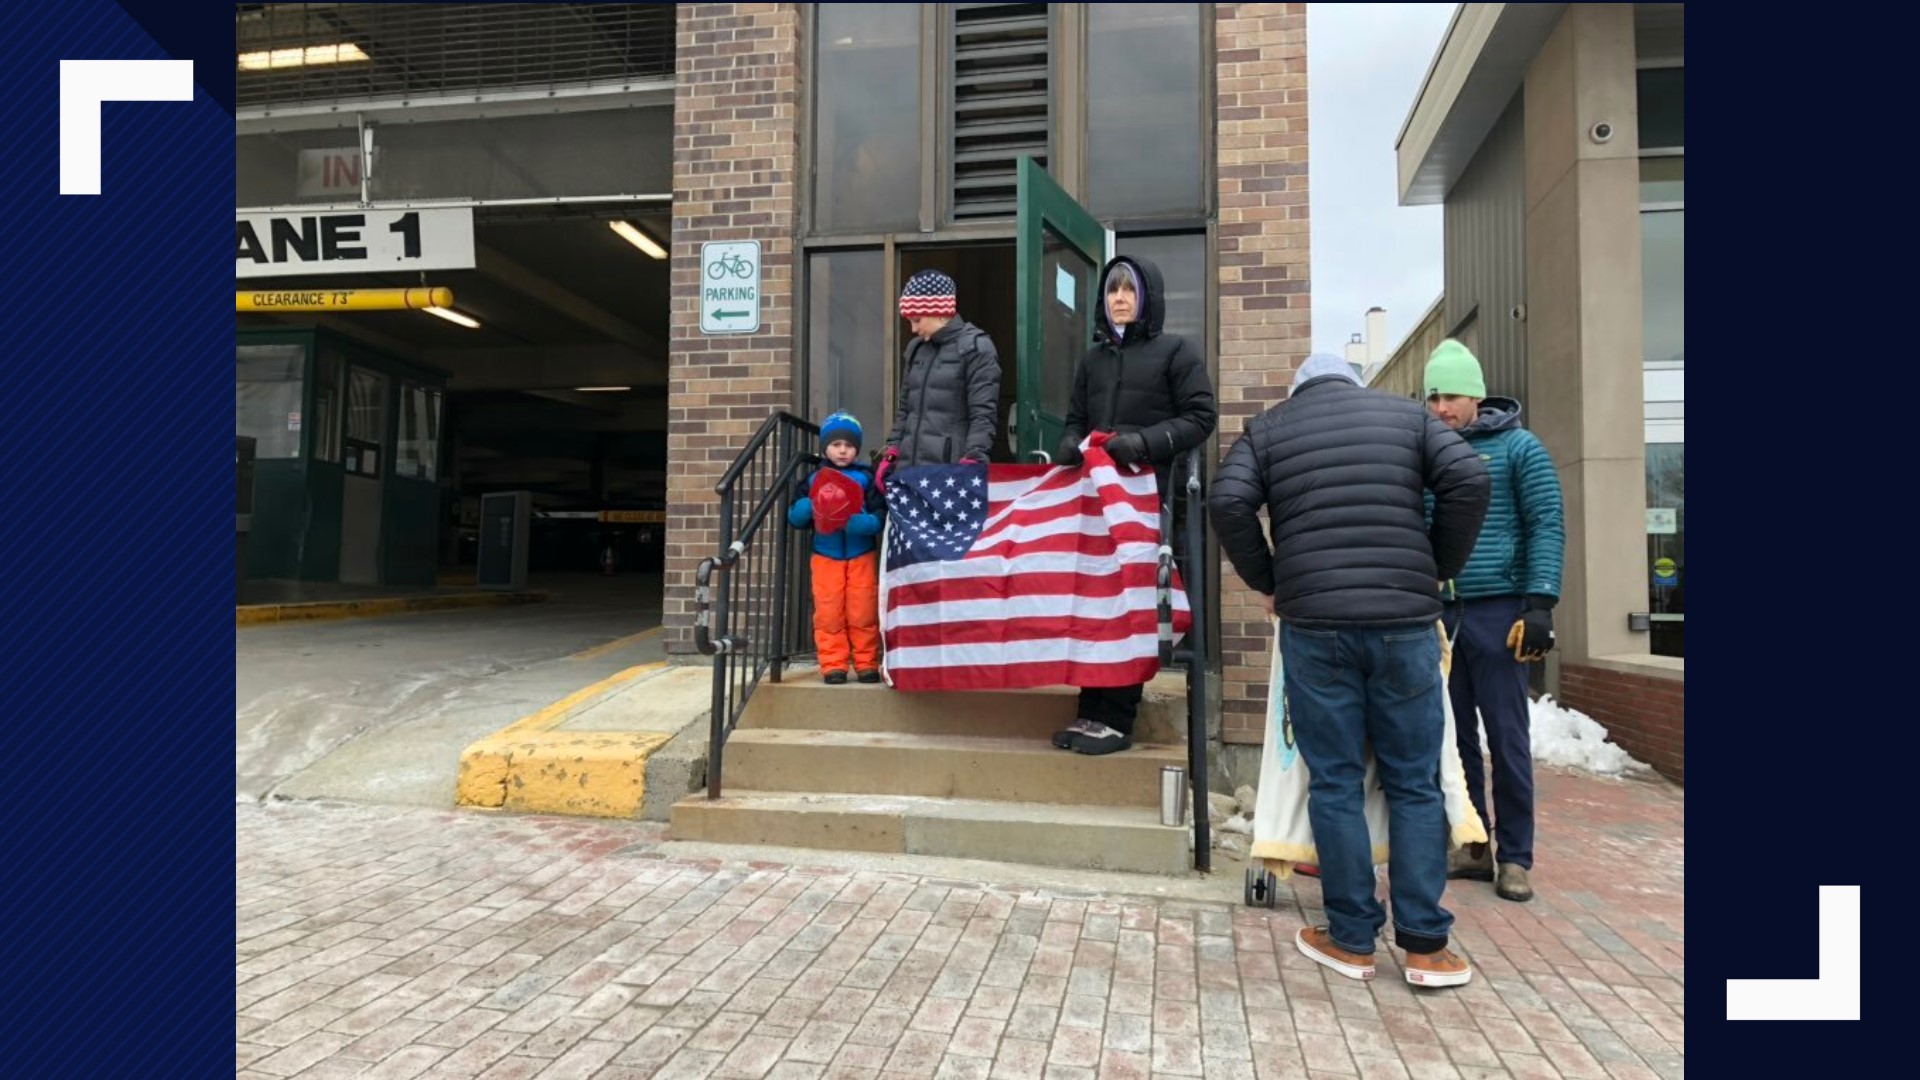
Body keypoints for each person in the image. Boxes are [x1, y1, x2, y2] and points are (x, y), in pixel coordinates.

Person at [1209, 352, 1490, 988]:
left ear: (1299, 388)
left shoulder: (1272, 427)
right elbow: (1469, 480)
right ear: (1356, 385)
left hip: (1317, 627)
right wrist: (1434, 564)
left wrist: (1273, 579)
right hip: (1405, 623)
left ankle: (1352, 937)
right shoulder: (1408, 418)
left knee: (1334, 780)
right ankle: (1425, 946)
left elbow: (1227, 501)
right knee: (1414, 783)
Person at [1049, 255, 1217, 756]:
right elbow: (1076, 418)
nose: (1118, 298)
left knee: (1131, 604)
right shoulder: (1092, 360)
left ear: (1147, 298)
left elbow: (1201, 416)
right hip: (1095, 499)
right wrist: (1069, 441)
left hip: (1146, 499)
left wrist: (1144, 443)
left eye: (1129, 290)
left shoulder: (1176, 352)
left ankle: (1117, 719)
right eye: (1111, 290)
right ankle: (1091, 711)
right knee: (1096, 599)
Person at [1423, 340, 1565, 903]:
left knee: (1507, 738)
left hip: (1500, 611)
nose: (1441, 408)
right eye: (1433, 396)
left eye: (1451, 395)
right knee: (1453, 740)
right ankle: (1474, 844)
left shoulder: (1520, 450)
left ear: (1477, 395)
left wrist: (1540, 604)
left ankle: (1517, 857)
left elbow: (1546, 523)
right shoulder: (1429, 454)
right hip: (1443, 614)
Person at [875, 270, 1002, 493]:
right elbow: (905, 409)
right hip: (908, 474)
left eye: (916, 320)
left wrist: (973, 460)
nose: (913, 329)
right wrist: (892, 450)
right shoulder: (916, 349)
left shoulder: (976, 347)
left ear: (940, 313)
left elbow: (983, 414)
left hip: (949, 476)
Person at [789, 411, 883, 685]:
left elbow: (880, 516)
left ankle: (866, 663)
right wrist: (809, 505)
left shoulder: (867, 477)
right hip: (825, 556)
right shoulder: (811, 479)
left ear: (857, 449)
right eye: (836, 445)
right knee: (829, 612)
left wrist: (863, 523)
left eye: (849, 446)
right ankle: (833, 665)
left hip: (861, 554)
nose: (843, 450)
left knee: (863, 610)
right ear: (825, 447)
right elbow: (794, 518)